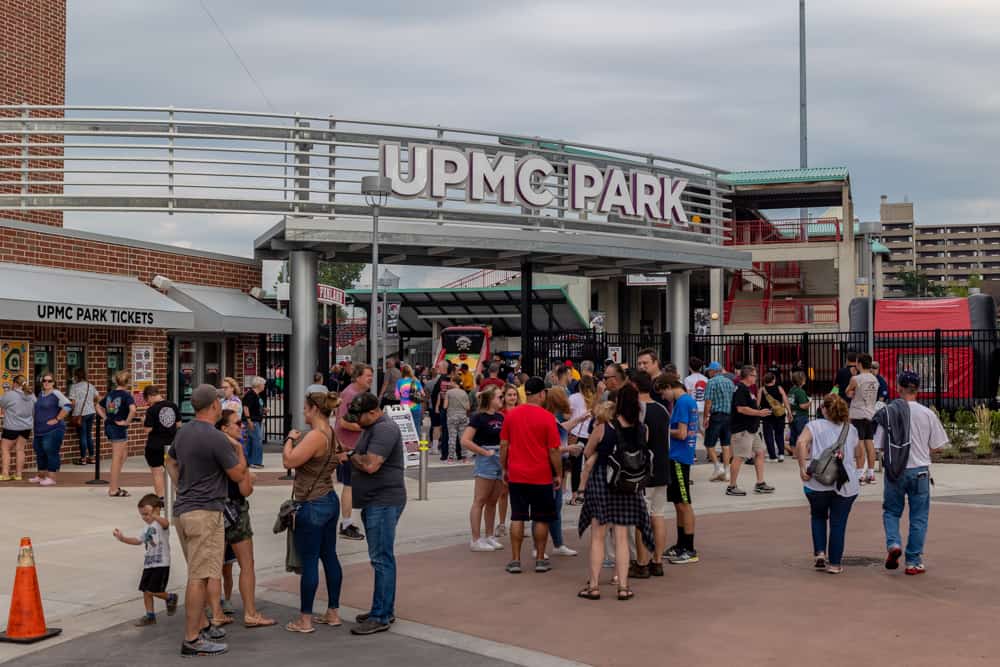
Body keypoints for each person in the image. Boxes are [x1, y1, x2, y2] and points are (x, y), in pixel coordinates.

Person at [165, 384, 247, 658]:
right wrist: (238, 448)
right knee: (199, 577)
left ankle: (200, 626)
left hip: (183, 511)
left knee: (200, 572)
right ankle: (192, 639)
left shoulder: (184, 431)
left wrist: (181, 488)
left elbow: (170, 461)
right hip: (206, 513)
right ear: (213, 406)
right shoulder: (216, 438)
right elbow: (237, 475)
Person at [577, 384, 654, 601]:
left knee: (598, 536)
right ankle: (623, 586)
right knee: (621, 537)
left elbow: (588, 451)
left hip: (603, 480)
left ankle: (593, 586)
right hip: (628, 486)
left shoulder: (604, 427)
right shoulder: (642, 429)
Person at [874, 370, 948, 576]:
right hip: (920, 471)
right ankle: (913, 561)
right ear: (918, 389)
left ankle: (893, 543)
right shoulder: (927, 413)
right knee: (919, 517)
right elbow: (939, 445)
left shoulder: (890, 412)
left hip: (895, 471)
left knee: (891, 511)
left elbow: (880, 445)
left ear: (898, 387)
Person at [282, 392, 344, 633]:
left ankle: (305, 620)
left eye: (306, 408)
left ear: (316, 410)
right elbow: (339, 457)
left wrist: (289, 439)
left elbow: (289, 462)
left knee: (309, 562)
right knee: (329, 556)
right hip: (329, 498)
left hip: (311, 503)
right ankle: (333, 612)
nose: (304, 413)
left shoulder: (316, 436)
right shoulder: (331, 432)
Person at [347, 392, 407, 635]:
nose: (356, 422)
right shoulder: (372, 428)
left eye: (359, 417)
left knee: (381, 558)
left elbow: (371, 465)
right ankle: (383, 609)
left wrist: (352, 457)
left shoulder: (384, 429)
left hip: (383, 501)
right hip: (376, 501)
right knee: (383, 557)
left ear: (373, 412)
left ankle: (380, 614)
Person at [213, 408, 274, 629]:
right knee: (246, 564)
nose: (242, 426)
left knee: (213, 566)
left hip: (215, 510)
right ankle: (250, 612)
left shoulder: (211, 450)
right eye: (237, 423)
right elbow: (246, 489)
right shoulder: (235, 451)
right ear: (224, 428)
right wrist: (244, 462)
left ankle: (216, 612)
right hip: (236, 511)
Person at [499, 377, 562, 575]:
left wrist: (504, 467)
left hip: (517, 473)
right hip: (541, 475)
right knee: (542, 518)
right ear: (542, 394)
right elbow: (554, 449)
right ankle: (541, 558)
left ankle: (515, 559)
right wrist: (558, 473)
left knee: (517, 516)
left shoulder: (512, 415)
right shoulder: (547, 417)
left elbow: (504, 445)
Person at [796, 394, 861, 574]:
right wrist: (860, 473)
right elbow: (859, 453)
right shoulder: (851, 430)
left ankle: (820, 552)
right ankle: (834, 563)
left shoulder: (814, 426)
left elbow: (801, 442)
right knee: (838, 524)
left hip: (818, 482)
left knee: (818, 516)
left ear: (823, 409)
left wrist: (803, 467)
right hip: (844, 484)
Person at [113, 494, 179, 626]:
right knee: (145, 590)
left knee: (154, 590)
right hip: (149, 564)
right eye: (142, 515)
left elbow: (166, 523)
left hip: (161, 563)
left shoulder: (160, 524)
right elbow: (138, 541)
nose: (144, 517)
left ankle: (170, 597)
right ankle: (150, 615)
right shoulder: (146, 528)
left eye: (147, 514)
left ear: (156, 510)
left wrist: (155, 516)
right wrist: (123, 538)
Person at [541, 386, 589, 558]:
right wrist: (570, 448)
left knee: (556, 507)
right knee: (547, 508)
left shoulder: (552, 418)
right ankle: (542, 547)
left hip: (555, 466)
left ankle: (558, 543)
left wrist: (578, 420)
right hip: (551, 467)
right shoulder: (548, 418)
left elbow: (560, 428)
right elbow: (550, 448)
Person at [632, 372, 670, 577]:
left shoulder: (639, 409)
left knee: (641, 518)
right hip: (663, 466)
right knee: (658, 514)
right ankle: (657, 560)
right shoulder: (663, 409)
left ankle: (642, 562)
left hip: (645, 470)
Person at [462, 387, 505, 552]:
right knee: (480, 500)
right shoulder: (478, 418)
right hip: (486, 459)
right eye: (499, 396)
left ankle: (489, 535)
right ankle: (475, 538)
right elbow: (465, 440)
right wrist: (484, 452)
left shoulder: (501, 417)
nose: (501, 399)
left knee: (493, 500)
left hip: (499, 458)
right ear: (491, 398)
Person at [333, 363, 372, 542]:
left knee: (357, 485)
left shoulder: (362, 395)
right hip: (348, 448)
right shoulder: (349, 394)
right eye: (367, 376)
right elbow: (342, 422)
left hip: (357, 447)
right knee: (349, 485)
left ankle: (350, 522)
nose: (370, 378)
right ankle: (346, 524)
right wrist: (366, 427)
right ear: (357, 377)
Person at [663, 380, 700, 564]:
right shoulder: (688, 402)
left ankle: (689, 548)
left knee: (684, 502)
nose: (664, 397)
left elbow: (682, 433)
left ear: (670, 388)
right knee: (679, 503)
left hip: (679, 457)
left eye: (664, 393)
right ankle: (680, 544)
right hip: (680, 456)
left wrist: (664, 430)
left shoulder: (682, 403)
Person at [727, 366, 775, 496]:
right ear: (748, 376)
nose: (756, 377)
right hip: (743, 429)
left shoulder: (747, 390)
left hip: (752, 430)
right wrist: (759, 412)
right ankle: (731, 486)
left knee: (760, 452)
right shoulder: (741, 389)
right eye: (754, 375)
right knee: (739, 457)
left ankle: (760, 483)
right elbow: (741, 409)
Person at [97, 370, 137, 497]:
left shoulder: (111, 394)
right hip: (118, 427)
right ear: (128, 382)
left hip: (110, 425)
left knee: (123, 454)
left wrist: (105, 417)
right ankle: (113, 488)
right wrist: (126, 422)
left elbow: (98, 405)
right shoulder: (126, 395)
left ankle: (115, 483)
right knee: (117, 458)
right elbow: (133, 409)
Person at [31, 372, 71, 487]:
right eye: (44, 380)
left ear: (54, 383)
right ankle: (41, 476)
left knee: (51, 452)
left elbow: (68, 405)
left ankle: (51, 478)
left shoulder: (56, 393)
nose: (47, 383)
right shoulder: (41, 394)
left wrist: (57, 418)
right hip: (39, 430)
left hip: (53, 430)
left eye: (49, 381)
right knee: (40, 452)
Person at [846, 354, 880, 485]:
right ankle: (871, 473)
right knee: (869, 442)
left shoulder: (856, 379)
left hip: (858, 413)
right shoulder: (874, 379)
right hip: (871, 412)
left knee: (859, 442)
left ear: (859, 364)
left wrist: (851, 392)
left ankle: (860, 473)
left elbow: (848, 391)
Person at [142, 385, 179, 500]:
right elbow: (179, 425)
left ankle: (161, 498)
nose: (148, 403)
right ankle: (179, 496)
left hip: (155, 445)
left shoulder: (152, 410)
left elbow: (147, 429)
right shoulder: (173, 406)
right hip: (171, 444)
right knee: (174, 471)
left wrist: (144, 421)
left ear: (150, 396)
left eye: (147, 400)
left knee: (157, 472)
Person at [494, 384, 521, 538]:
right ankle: (502, 523)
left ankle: (518, 522)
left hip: (518, 453)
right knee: (503, 492)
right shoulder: (500, 414)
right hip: (506, 453)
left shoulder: (521, 412)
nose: (512, 398)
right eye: (510, 395)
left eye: (514, 395)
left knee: (518, 493)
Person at [568, 375, 597, 504]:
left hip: (577, 434)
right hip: (590, 435)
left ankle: (574, 495)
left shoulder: (573, 398)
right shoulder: (595, 398)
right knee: (589, 466)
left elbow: (568, 414)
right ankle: (588, 493)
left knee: (575, 466)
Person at [702, 362, 733, 482]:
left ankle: (717, 467)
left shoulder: (711, 382)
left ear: (713, 371)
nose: (708, 373)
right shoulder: (729, 382)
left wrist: (705, 417)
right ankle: (727, 472)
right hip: (729, 416)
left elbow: (708, 401)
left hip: (717, 416)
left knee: (709, 443)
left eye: (709, 371)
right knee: (726, 445)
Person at [0, 374, 35, 481]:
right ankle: (18, 474)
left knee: (5, 449)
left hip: (12, 427)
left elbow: (2, 404)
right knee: (20, 450)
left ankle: (5, 474)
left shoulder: (10, 394)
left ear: (15, 383)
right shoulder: (31, 395)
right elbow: (34, 410)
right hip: (26, 427)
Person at [758, 372, 790, 462]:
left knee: (768, 435)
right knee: (779, 434)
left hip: (767, 414)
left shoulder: (762, 390)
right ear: (773, 380)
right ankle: (781, 454)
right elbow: (785, 400)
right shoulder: (779, 388)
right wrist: (789, 412)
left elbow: (757, 403)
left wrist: (757, 412)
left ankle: (772, 456)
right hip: (779, 414)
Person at [68, 368, 98, 465]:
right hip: (91, 412)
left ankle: (83, 458)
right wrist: (92, 403)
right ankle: (92, 457)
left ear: (76, 376)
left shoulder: (74, 387)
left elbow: (72, 403)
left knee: (82, 436)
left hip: (80, 414)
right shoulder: (90, 386)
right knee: (89, 435)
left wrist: (68, 411)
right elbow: (97, 397)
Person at [444, 370, 471, 463]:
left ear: (454, 382)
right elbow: (468, 407)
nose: (450, 383)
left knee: (452, 437)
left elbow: (445, 406)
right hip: (463, 416)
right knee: (462, 437)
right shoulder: (464, 393)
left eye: (451, 381)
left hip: (452, 416)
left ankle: (450, 458)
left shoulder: (449, 392)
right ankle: (465, 458)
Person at [242, 377, 267, 468]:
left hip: (255, 420)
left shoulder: (256, 395)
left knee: (250, 441)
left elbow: (254, 408)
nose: (264, 386)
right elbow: (246, 407)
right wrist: (249, 421)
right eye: (263, 384)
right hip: (252, 421)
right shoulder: (251, 394)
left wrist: (264, 410)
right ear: (259, 385)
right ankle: (256, 461)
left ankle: (248, 461)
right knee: (257, 441)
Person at [430, 361, 453, 461]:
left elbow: (443, 394)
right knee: (438, 427)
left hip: (441, 408)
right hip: (439, 407)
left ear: (444, 367)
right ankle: (436, 447)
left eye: (439, 366)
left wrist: (438, 406)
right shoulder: (442, 378)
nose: (437, 367)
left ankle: (442, 450)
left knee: (442, 428)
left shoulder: (444, 379)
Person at [394, 364, 424, 440]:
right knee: (416, 425)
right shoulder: (416, 381)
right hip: (416, 406)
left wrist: (403, 396)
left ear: (402, 372)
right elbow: (423, 394)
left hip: (404, 408)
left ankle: (406, 443)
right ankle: (416, 443)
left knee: (405, 426)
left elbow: (397, 396)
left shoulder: (399, 382)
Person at [787, 371, 811, 456]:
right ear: (801, 380)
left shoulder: (791, 390)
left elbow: (789, 403)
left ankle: (794, 453)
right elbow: (802, 406)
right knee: (803, 435)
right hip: (801, 416)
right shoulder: (800, 391)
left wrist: (789, 414)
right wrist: (809, 402)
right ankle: (803, 453)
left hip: (793, 415)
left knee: (793, 435)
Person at [683, 357, 708, 423]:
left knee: (693, 430)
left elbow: (688, 395)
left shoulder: (687, 379)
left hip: (693, 407)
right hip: (704, 407)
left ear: (689, 367)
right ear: (700, 368)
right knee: (703, 430)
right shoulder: (706, 379)